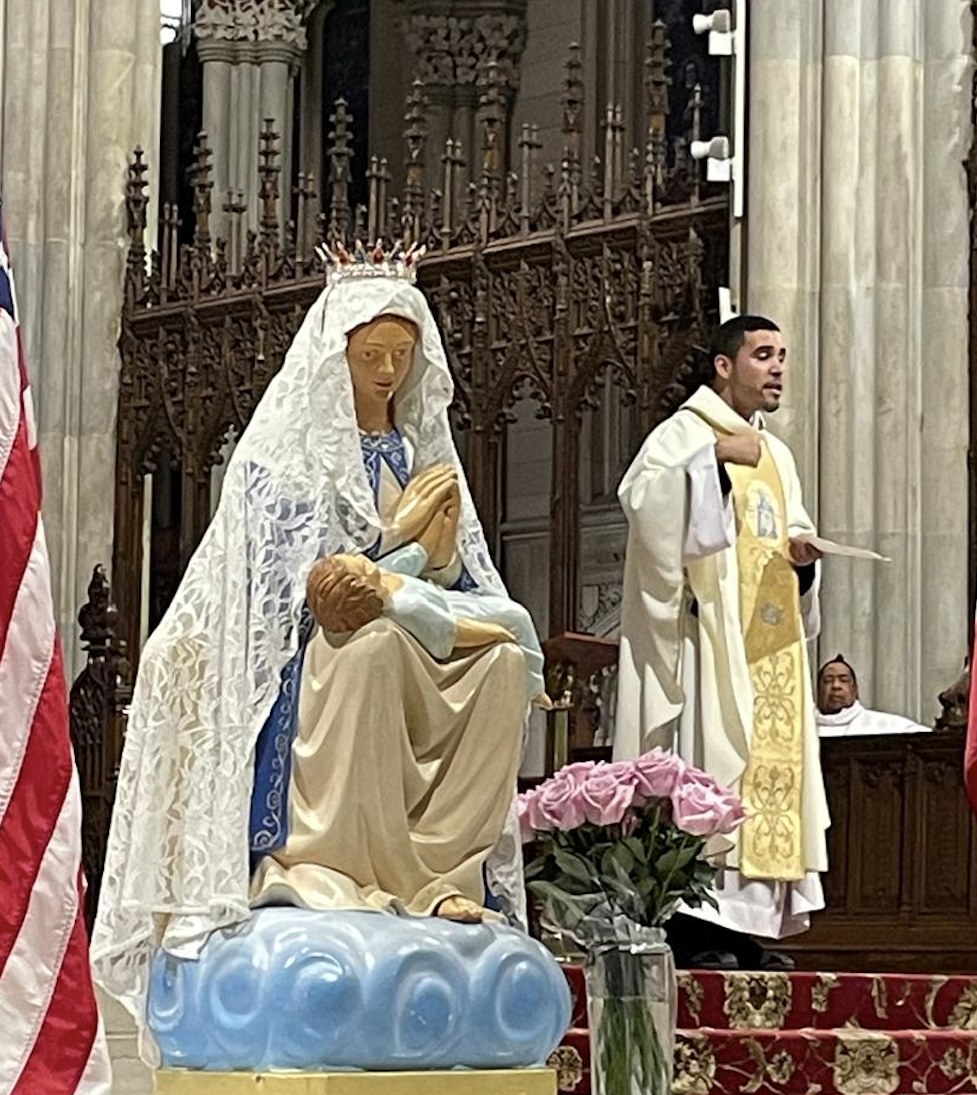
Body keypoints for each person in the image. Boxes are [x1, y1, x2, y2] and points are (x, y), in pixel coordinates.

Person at [92, 246, 544, 1032]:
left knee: (504, 665)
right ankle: (337, 864)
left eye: (402, 357)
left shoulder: (423, 458)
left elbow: (465, 579)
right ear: (335, 357)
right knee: (371, 652)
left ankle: (441, 868)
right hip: (322, 655)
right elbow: (279, 607)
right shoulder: (280, 462)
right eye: (371, 355)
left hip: (412, 627)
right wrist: (392, 548)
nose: (387, 372)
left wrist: (424, 565)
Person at [613, 314, 827, 967]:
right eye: (764, 355)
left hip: (767, 652)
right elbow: (644, 506)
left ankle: (743, 930)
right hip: (705, 643)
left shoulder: (778, 453)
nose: (778, 368)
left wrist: (805, 561)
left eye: (784, 356)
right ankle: (693, 927)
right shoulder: (684, 434)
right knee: (711, 770)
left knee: (761, 785)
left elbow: (790, 530)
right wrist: (708, 464)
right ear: (724, 366)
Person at [815, 655, 930, 737]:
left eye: (843, 680)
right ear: (818, 691)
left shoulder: (884, 725)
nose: (836, 686)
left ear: (855, 690)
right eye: (828, 680)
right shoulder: (802, 729)